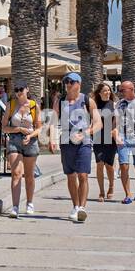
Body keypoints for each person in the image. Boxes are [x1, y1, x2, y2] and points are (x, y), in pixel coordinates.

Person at [57, 73, 100, 223]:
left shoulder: (88, 101)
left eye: (71, 81)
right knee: (70, 176)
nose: (68, 84)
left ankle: (82, 208)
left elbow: (98, 123)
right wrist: (51, 137)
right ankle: (75, 206)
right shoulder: (60, 101)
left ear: (79, 84)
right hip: (66, 140)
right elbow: (53, 120)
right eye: (66, 82)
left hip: (84, 141)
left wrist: (84, 133)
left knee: (83, 175)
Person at [1, 85, 40, 217]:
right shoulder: (11, 105)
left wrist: (30, 135)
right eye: (16, 90)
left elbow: (39, 127)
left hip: (31, 141)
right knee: (16, 173)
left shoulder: (34, 106)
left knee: (29, 175)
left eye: (21, 90)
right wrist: (18, 129)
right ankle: (15, 207)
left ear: (27, 90)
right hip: (14, 140)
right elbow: (4, 127)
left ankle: (29, 203)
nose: (18, 93)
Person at [92, 82, 119, 201]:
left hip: (110, 138)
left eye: (109, 90)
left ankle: (111, 187)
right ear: (99, 93)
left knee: (109, 165)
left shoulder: (114, 104)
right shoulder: (94, 105)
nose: (107, 92)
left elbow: (117, 122)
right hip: (97, 138)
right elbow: (91, 121)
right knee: (99, 164)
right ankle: (101, 191)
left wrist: (114, 132)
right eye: (105, 91)